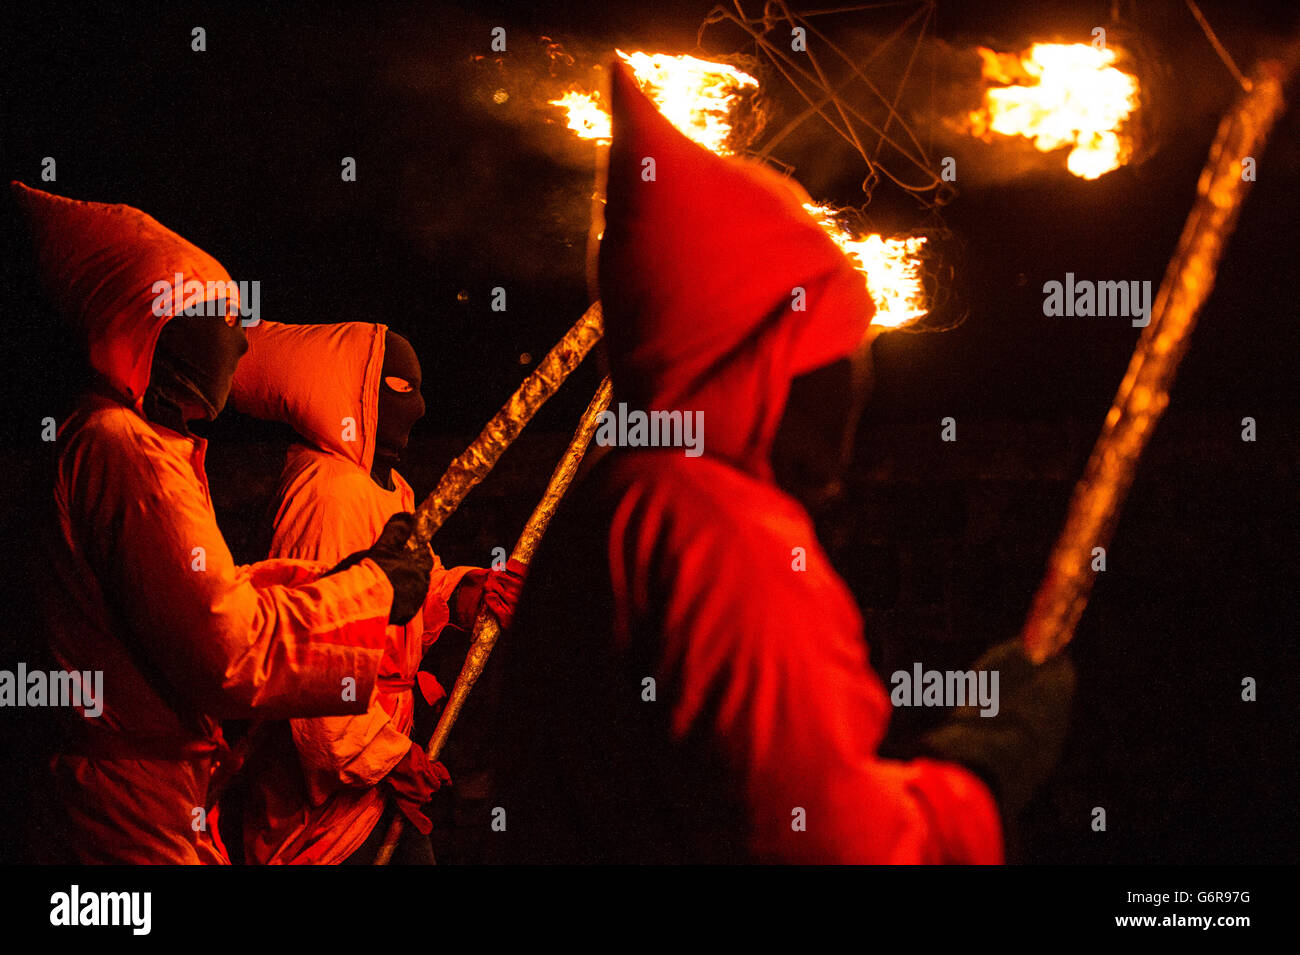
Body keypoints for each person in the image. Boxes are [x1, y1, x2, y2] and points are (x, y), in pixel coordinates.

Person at [492, 63, 1073, 863]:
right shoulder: (719, 537)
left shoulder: (616, 504)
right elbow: (827, 844)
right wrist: (975, 780)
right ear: (766, 358)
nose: (856, 383)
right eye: (838, 345)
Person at [10, 182, 433, 864]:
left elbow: (207, 602)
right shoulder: (120, 450)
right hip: (125, 817)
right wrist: (370, 590)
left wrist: (436, 588)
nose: (239, 345)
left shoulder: (142, 446)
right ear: (155, 323)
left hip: (158, 799)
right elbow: (227, 649)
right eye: (220, 317)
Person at [229, 319, 524, 864]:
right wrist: (387, 759)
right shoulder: (329, 494)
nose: (420, 408)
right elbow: (308, 661)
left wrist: (465, 591)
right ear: (354, 392)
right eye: (400, 389)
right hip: (333, 797)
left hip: (381, 757)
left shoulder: (388, 486)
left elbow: (407, 590)